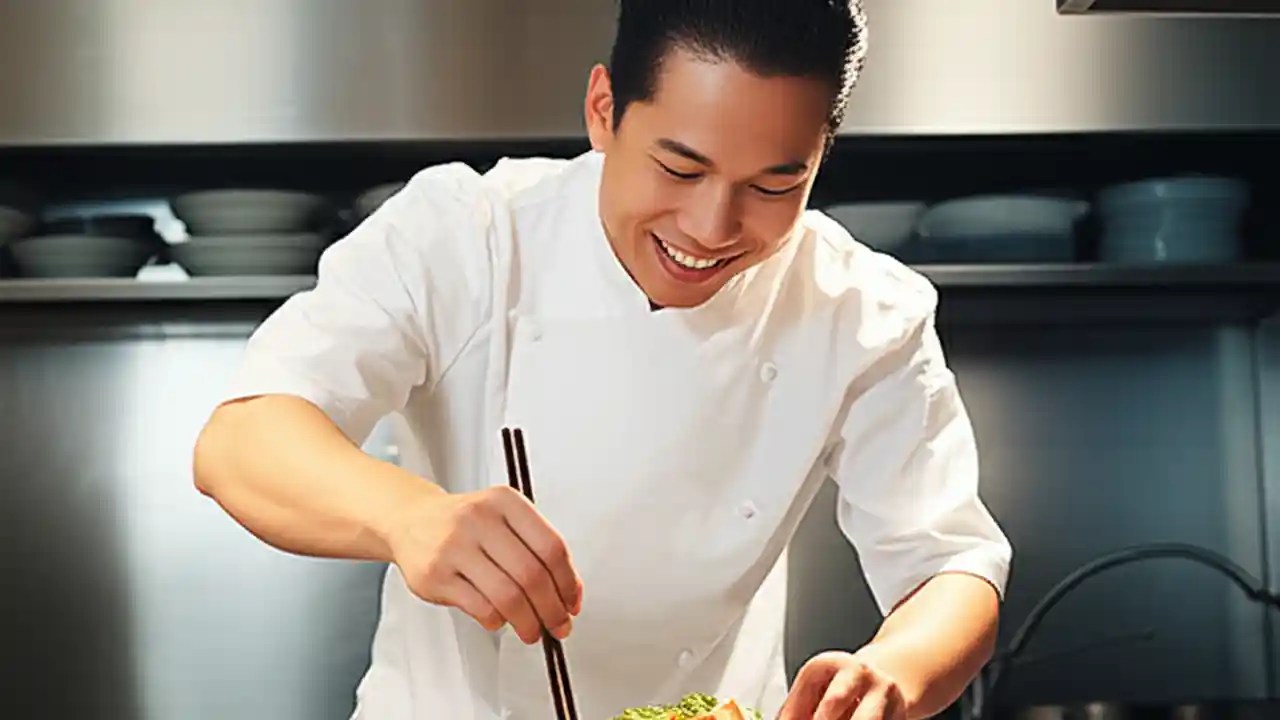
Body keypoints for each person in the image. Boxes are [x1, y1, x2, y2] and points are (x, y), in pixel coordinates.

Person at [192, 1, 1012, 718]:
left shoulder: (862, 308)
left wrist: (890, 676)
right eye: (679, 166)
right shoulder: (469, 234)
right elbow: (242, 443)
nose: (712, 226)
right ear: (603, 110)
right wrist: (409, 517)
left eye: (774, 186)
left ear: (819, 159)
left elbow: (950, 566)